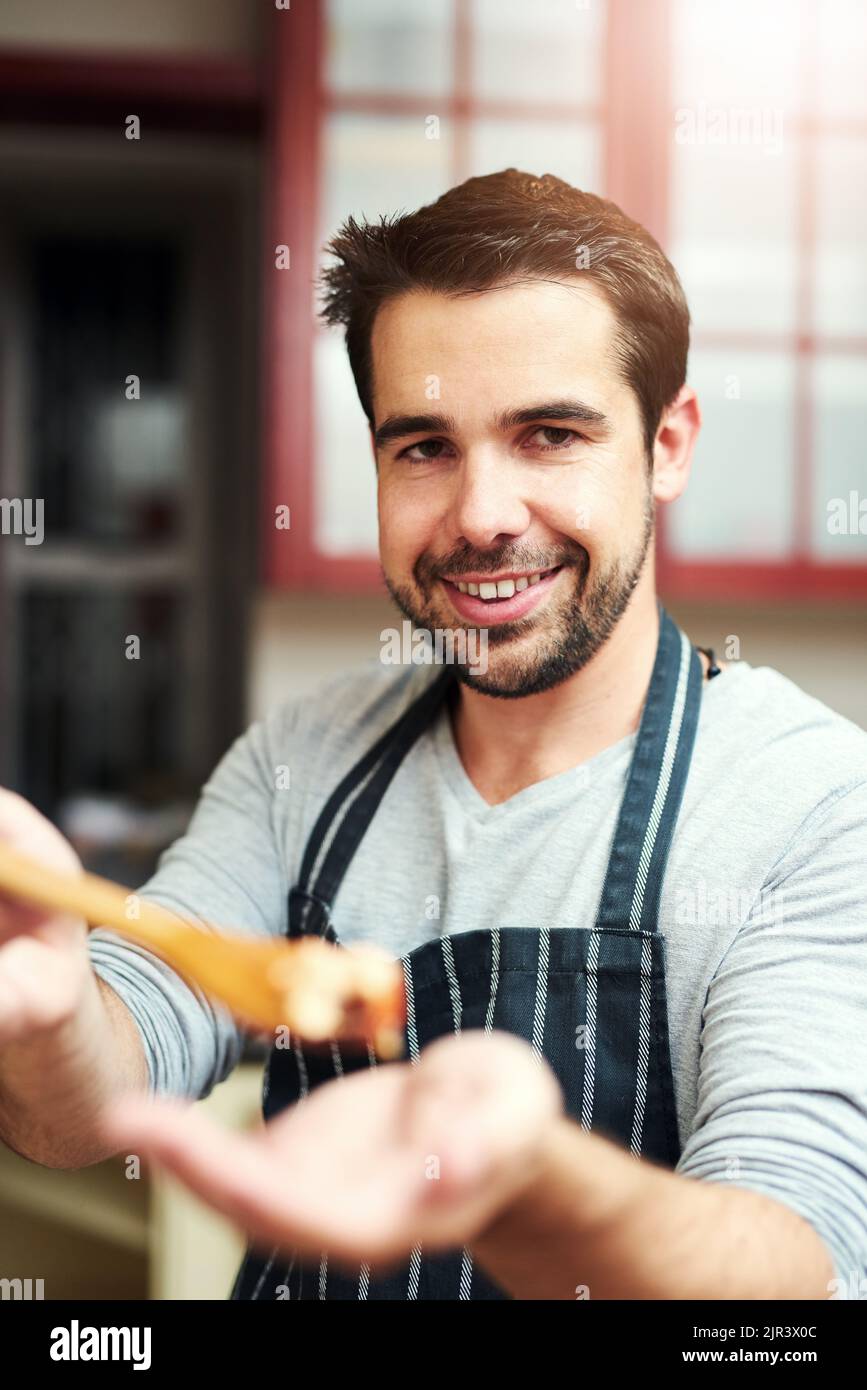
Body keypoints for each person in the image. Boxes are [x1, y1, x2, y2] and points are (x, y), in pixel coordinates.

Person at [1, 170, 866, 1301]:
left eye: (549, 434)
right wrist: (52, 1002)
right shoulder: (300, 760)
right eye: (424, 447)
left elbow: (798, 1274)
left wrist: (523, 1181)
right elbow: (92, 1103)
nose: (482, 515)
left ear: (667, 446)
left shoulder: (809, 799)